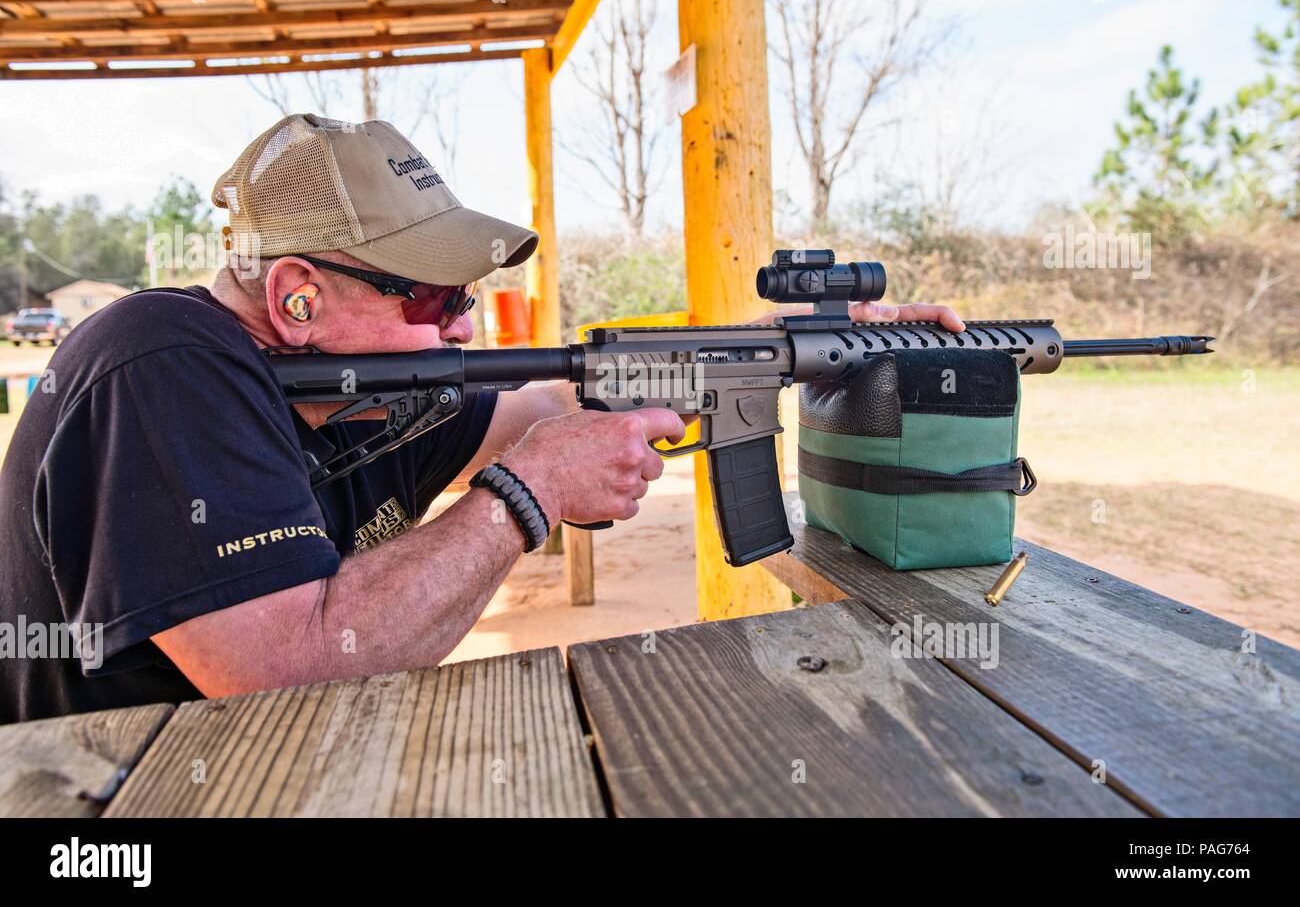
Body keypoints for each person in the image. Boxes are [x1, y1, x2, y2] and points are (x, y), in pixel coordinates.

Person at [0, 113, 965, 722]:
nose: (463, 324)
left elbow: (548, 399)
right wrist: (526, 493)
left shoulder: (355, 385)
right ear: (297, 296)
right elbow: (283, 670)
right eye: (433, 300)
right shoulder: (160, 365)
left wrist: (779, 345)